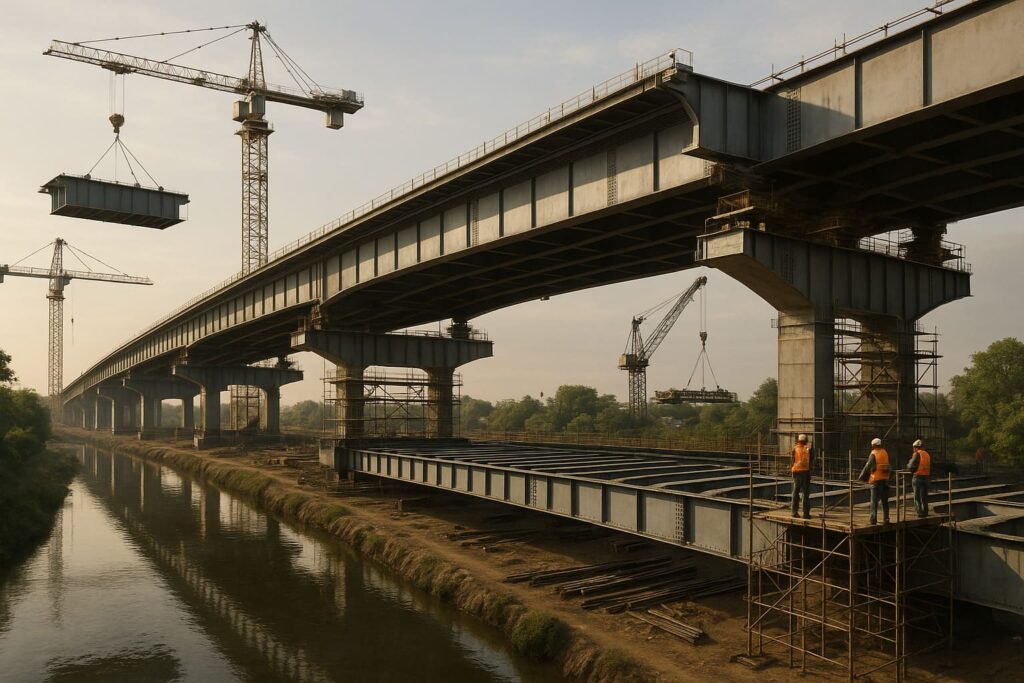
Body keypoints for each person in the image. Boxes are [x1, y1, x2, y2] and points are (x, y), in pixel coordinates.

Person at [859, 437, 891, 525]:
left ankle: (873, 520)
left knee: (874, 501)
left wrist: (861, 477)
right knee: (885, 501)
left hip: (876, 480)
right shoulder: (885, 453)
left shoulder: (873, 453)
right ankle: (886, 519)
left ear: (873, 445)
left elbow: (867, 466)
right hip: (885, 479)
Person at [790, 434, 814, 519]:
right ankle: (806, 514)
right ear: (805, 441)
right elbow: (811, 461)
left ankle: (794, 512)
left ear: (798, 441)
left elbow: (792, 461)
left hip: (796, 472)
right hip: (805, 472)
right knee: (805, 493)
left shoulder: (794, 449)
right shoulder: (809, 449)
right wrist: (810, 471)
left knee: (795, 492)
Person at [906, 439, 931, 517]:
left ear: (916, 447)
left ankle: (919, 513)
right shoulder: (927, 454)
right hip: (926, 477)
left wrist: (909, 468)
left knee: (917, 497)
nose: (913, 449)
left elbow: (911, 466)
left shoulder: (917, 454)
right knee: (924, 496)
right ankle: (925, 512)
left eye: (913, 448)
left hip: (917, 477)